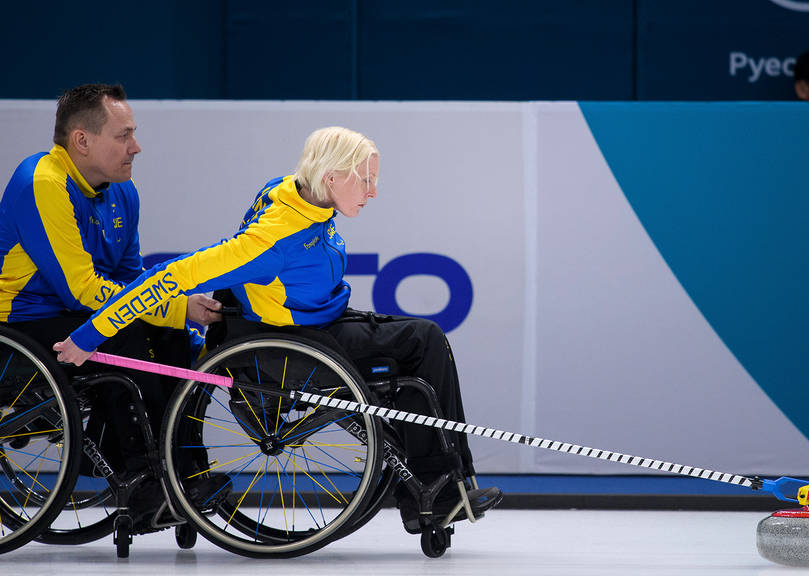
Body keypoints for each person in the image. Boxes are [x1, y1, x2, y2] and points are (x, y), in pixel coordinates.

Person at [54, 125, 502, 532]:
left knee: (423, 345)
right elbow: (169, 277)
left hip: (319, 324)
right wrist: (89, 337)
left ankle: (438, 486)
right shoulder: (273, 237)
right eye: (365, 180)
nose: (373, 191)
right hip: (291, 346)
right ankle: (438, 489)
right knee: (427, 342)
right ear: (332, 177)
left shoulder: (299, 193)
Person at [0, 83, 223, 521]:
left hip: (74, 319)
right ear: (81, 140)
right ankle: (142, 477)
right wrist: (175, 305)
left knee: (171, 334)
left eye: (133, 134)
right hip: (19, 329)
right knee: (125, 330)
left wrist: (179, 309)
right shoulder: (42, 182)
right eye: (123, 135)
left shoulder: (122, 191)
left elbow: (128, 280)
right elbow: (81, 289)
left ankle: (186, 471)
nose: (136, 147)